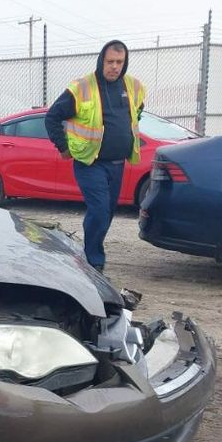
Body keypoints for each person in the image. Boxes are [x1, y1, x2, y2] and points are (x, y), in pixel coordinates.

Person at [45, 40, 145, 272]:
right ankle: (93, 261)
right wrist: (62, 147)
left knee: (107, 212)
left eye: (119, 62)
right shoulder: (82, 87)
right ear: (101, 61)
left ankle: (91, 251)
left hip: (118, 163)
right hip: (90, 163)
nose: (114, 67)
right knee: (99, 209)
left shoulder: (133, 87)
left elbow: (137, 112)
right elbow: (52, 117)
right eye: (110, 62)